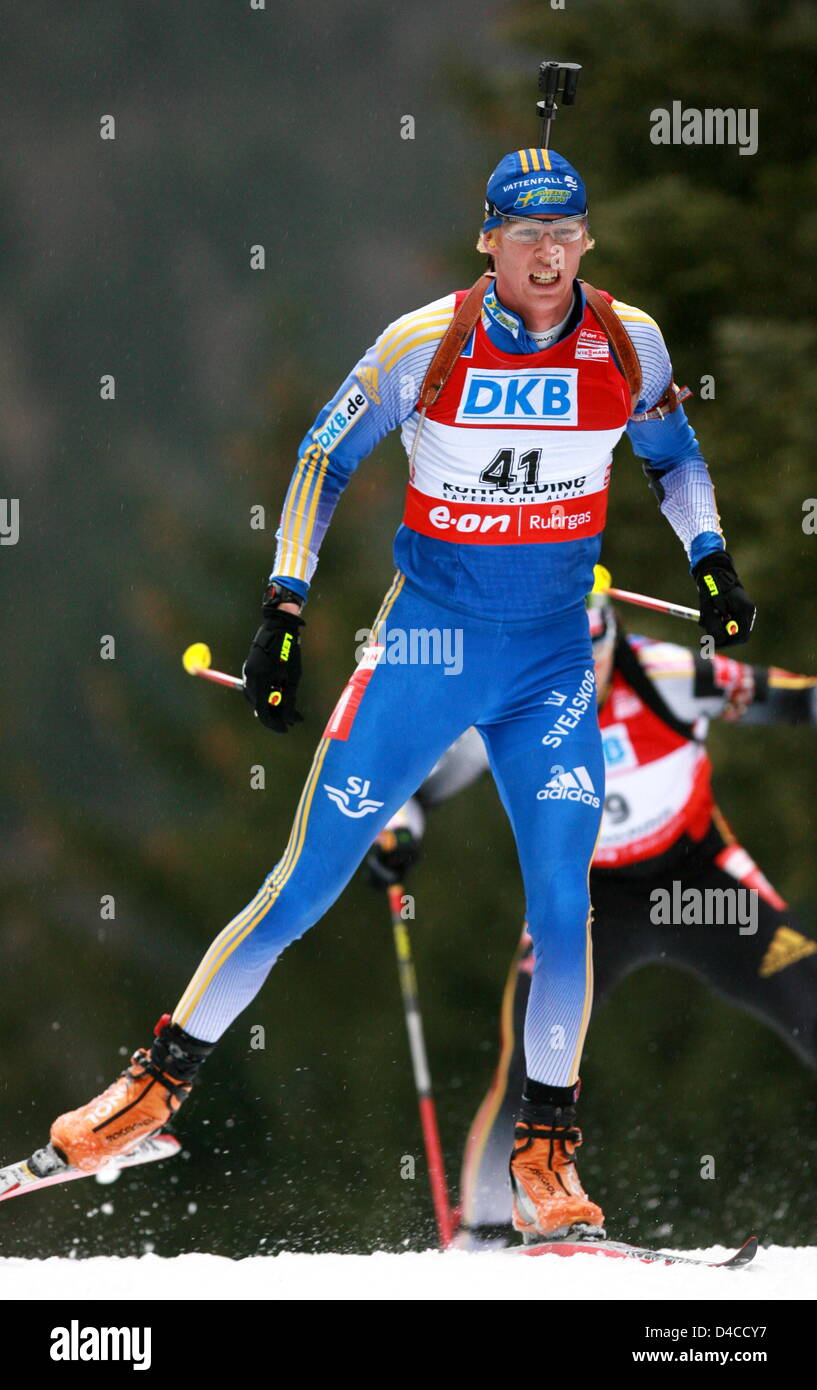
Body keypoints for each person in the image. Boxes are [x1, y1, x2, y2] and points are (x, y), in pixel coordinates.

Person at [47, 147, 756, 1243]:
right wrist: (283, 607)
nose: (546, 254)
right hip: (425, 651)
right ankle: (152, 1093)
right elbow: (322, 458)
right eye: (525, 235)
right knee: (302, 886)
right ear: (489, 241)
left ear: (587, 241)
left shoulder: (630, 340)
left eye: (564, 234)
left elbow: (672, 455)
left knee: (565, 905)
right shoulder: (423, 345)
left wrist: (710, 559)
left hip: (553, 666)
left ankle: (546, 1160)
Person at [368, 587, 817, 1245]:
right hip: (584, 901)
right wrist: (396, 835)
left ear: (613, 638)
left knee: (805, 990)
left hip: (694, 885)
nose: (581, 674)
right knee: (530, 1057)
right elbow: (409, 787)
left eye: (592, 653)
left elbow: (791, 698)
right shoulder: (506, 697)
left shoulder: (668, 674)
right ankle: (486, 1232)